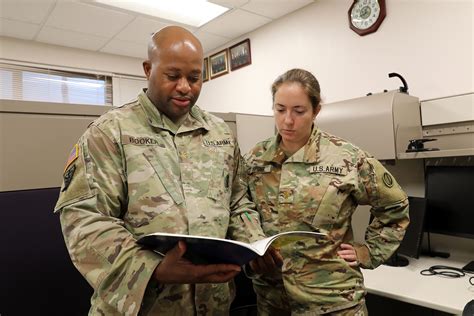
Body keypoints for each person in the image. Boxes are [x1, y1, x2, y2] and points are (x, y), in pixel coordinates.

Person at [54, 26, 265, 315]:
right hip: (144, 306)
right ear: (148, 69)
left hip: (212, 305)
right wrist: (152, 268)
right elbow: (83, 220)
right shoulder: (110, 133)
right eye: (173, 76)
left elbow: (238, 201)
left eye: (194, 78)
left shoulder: (220, 133)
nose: (184, 87)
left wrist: (254, 246)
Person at [245, 68, 410, 315]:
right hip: (273, 301)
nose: (288, 120)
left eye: (299, 111)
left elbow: (395, 206)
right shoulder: (255, 160)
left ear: (316, 110)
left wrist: (368, 251)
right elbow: (241, 210)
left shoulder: (347, 158)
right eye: (280, 109)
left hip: (333, 300)